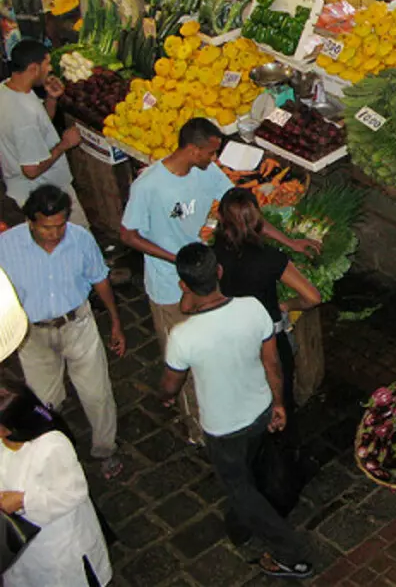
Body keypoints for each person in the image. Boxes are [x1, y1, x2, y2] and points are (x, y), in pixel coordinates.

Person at [121, 117, 316, 443]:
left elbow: (244, 212)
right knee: (182, 359)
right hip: (171, 286)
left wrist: (289, 242)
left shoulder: (206, 171)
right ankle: (198, 431)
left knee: (211, 355)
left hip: (205, 278)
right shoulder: (148, 186)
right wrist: (179, 260)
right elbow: (127, 235)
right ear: (192, 149)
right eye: (210, 153)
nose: (215, 159)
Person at [161, 244, 313, 580]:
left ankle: (291, 554)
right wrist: (278, 404)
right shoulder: (252, 308)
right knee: (252, 468)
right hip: (260, 409)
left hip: (223, 426)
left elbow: (171, 384)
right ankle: (241, 524)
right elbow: (272, 363)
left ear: (183, 285)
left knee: (239, 488)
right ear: (219, 273)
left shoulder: (182, 336)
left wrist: (166, 398)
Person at [0, 186, 124, 479]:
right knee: (45, 399)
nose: (55, 234)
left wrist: (116, 321)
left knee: (97, 394)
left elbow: (99, 280)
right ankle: (56, 451)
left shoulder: (80, 239)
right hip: (32, 335)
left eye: (60, 226)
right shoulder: (7, 246)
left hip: (77, 324)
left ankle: (105, 449)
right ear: (31, 221)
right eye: (47, 227)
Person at [209, 187, 322, 442]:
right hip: (269, 335)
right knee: (279, 387)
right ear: (257, 218)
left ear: (221, 218)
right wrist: (287, 305)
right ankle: (283, 440)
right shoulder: (270, 258)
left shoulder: (216, 251)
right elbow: (313, 298)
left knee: (247, 393)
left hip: (234, 337)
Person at [0, 384, 112, 586]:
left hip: (57, 546)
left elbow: (73, 493)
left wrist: (22, 500)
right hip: (24, 556)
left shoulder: (52, 446)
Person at [0, 39, 87, 228]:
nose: (50, 69)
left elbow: (38, 126)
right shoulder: (22, 117)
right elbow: (31, 170)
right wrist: (65, 144)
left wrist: (51, 99)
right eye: (46, 63)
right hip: (45, 195)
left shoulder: (8, 89)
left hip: (27, 189)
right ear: (34, 68)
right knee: (77, 242)